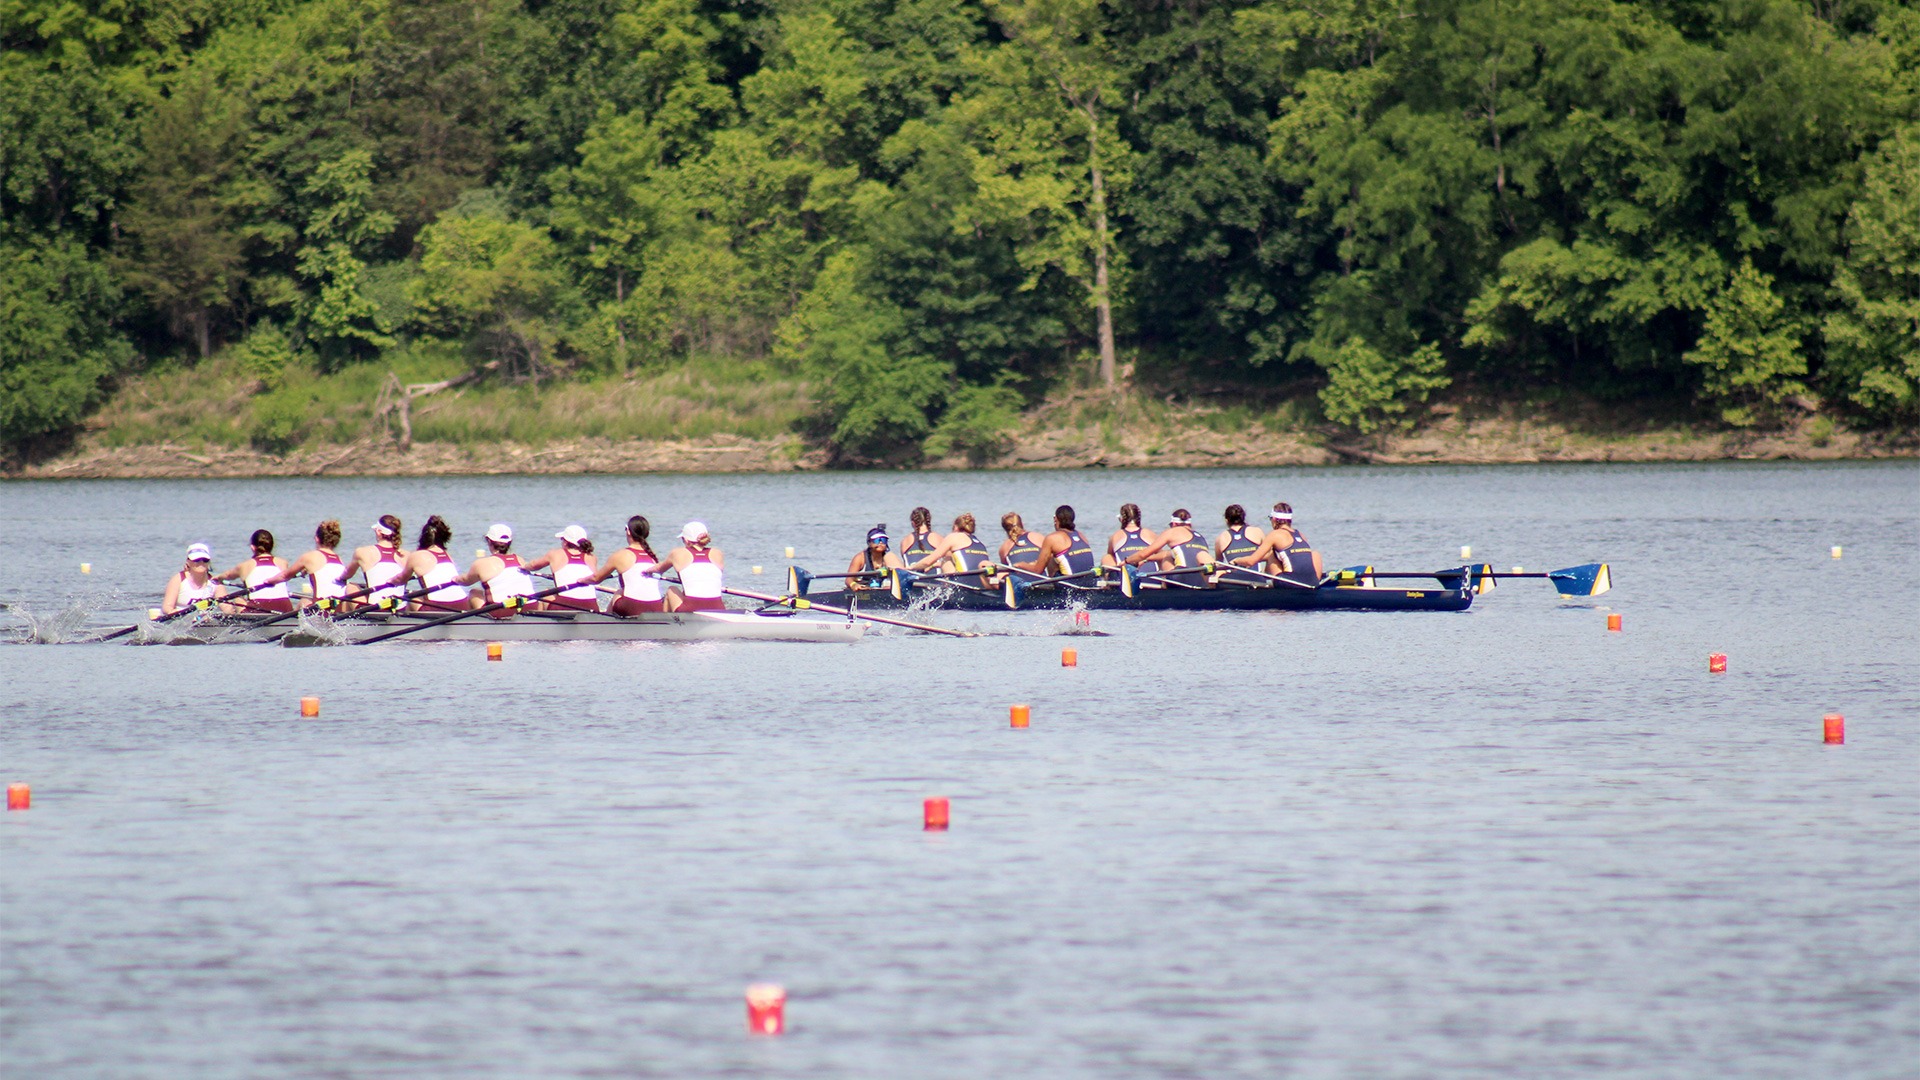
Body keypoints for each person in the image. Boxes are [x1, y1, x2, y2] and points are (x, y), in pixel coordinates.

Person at [261, 520, 354, 610]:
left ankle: (291, 623)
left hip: (323, 608)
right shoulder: (339, 559)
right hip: (339, 607)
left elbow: (285, 575)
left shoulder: (309, 557)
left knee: (304, 601)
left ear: (317, 539)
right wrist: (307, 570)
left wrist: (269, 581)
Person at [589, 515, 670, 615]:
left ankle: (606, 624)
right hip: (656, 607)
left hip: (632, 607)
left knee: (619, 593)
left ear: (628, 531)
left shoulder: (621, 555)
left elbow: (596, 579)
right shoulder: (652, 558)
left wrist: (581, 580)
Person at [638, 522, 727, 611]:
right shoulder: (717, 553)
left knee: (671, 589)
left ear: (687, 540)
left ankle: (665, 621)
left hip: (691, 608)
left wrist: (646, 571)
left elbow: (659, 569)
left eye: (683, 540)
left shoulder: (678, 553)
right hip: (719, 608)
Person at [1234, 502, 1323, 585]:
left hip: (1292, 584)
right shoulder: (1300, 535)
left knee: (1270, 555)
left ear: (1275, 519)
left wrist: (1236, 560)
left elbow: (1251, 561)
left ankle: (1265, 584)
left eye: (1270, 518)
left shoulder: (1274, 535)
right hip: (1312, 583)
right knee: (1315, 553)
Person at [462, 523, 537, 611]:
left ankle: (477, 622)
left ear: (489, 541)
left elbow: (465, 581)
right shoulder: (520, 560)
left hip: (501, 610)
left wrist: (454, 579)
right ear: (510, 542)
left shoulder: (481, 563)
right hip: (531, 607)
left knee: (474, 592)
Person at [403, 515, 470, 612]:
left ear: (423, 538)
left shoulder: (416, 555)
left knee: (413, 597)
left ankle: (403, 622)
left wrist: (391, 581)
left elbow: (402, 579)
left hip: (436, 607)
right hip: (462, 605)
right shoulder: (447, 555)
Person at [527, 525, 600, 612]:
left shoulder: (554, 554)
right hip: (591, 606)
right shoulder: (592, 557)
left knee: (546, 593)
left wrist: (523, 567)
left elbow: (533, 566)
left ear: (565, 542)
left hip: (565, 605)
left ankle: (540, 623)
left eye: (562, 539)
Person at [217, 529, 293, 613]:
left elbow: (228, 575)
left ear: (252, 547)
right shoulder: (283, 562)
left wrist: (217, 578)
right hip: (285, 609)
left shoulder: (245, 565)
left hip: (258, 610)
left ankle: (237, 622)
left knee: (238, 598)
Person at [910, 513, 994, 586]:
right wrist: (933, 565)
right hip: (983, 584)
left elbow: (928, 561)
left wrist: (910, 568)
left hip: (964, 585)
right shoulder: (980, 543)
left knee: (945, 559)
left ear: (956, 527)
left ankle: (947, 591)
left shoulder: (953, 537)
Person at [1015, 505, 1098, 577]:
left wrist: (1021, 565)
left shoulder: (1052, 538)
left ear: (1055, 519)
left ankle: (1053, 592)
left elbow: (1037, 570)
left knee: (1051, 557)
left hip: (1071, 587)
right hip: (1090, 583)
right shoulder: (1081, 535)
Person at [1125, 509, 1211, 573]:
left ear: (1174, 524)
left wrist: (1126, 561)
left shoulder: (1172, 532)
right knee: (1170, 554)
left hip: (1182, 577)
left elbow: (1142, 554)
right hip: (1201, 578)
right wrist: (1147, 560)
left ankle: (1164, 587)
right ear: (1190, 524)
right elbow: (1169, 553)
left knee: (1167, 558)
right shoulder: (1200, 537)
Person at [351, 515, 409, 608]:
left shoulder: (363, 552)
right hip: (400, 608)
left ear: (378, 532)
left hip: (374, 608)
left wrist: (339, 579)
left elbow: (347, 575)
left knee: (351, 587)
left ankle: (340, 620)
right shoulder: (407, 555)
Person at [161, 543, 227, 614]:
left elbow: (226, 607)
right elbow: (167, 608)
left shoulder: (215, 583)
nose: (201, 563)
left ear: (209, 563)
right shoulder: (178, 579)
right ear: (188, 562)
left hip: (205, 620)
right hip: (180, 620)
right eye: (197, 560)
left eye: (205, 560)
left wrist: (229, 610)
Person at [1212, 504, 1265, 584]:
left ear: (1227, 520)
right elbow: (1270, 555)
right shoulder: (1257, 532)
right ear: (1243, 517)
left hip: (1234, 581)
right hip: (1257, 579)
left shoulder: (1220, 538)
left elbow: (1219, 565)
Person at [846, 525, 904, 591]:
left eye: (884, 540)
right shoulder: (860, 558)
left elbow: (902, 574)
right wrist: (854, 585)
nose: (881, 543)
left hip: (884, 589)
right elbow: (848, 579)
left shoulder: (890, 557)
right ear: (869, 543)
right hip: (864, 590)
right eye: (877, 540)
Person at [1103, 503, 1157, 568]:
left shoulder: (1116, 535)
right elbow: (1161, 554)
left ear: (1121, 519)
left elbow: (1111, 556)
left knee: (1107, 557)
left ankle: (1109, 577)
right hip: (1151, 574)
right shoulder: (1150, 534)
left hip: (1127, 575)